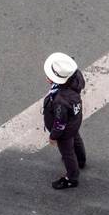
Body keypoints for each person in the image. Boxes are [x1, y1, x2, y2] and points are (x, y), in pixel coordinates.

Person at [42, 52, 87, 190]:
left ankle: (72, 178)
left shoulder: (60, 101)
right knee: (76, 138)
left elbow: (60, 123)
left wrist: (53, 136)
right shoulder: (76, 77)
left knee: (67, 153)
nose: (47, 77)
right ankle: (81, 160)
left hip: (65, 130)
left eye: (51, 76)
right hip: (75, 120)